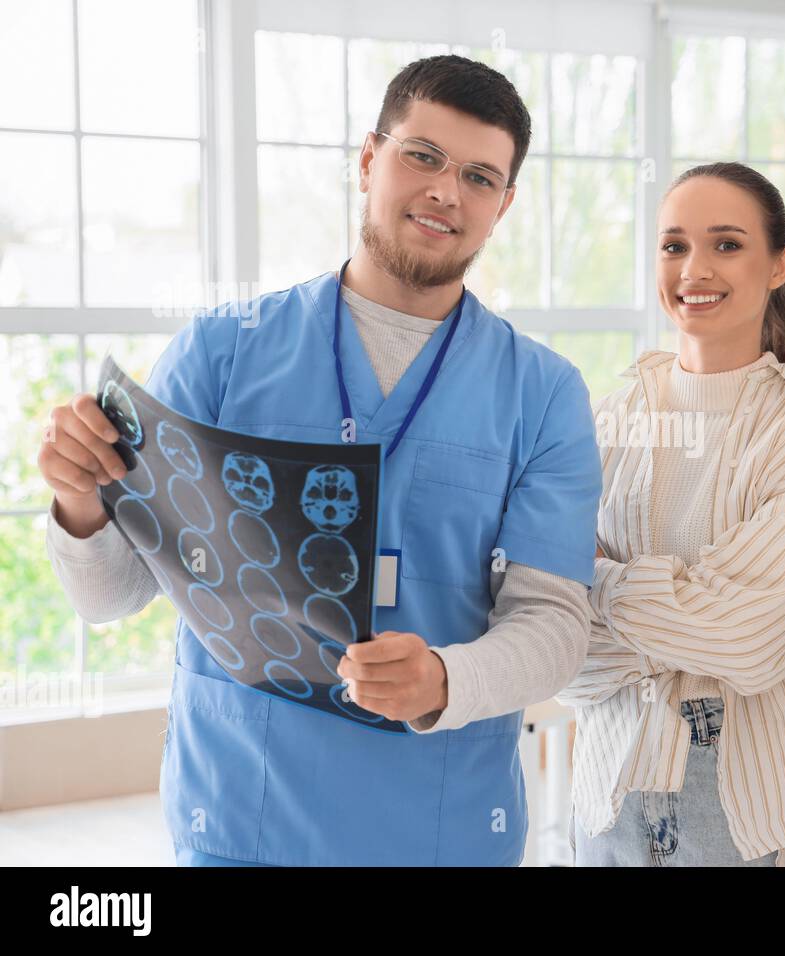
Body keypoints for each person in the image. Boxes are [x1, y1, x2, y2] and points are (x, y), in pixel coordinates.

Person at [38, 55, 602, 866]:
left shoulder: (543, 393)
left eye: (480, 177)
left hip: (439, 828)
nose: (447, 191)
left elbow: (554, 624)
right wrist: (81, 502)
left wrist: (446, 680)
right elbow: (113, 594)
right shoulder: (222, 352)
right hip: (240, 816)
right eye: (423, 156)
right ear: (368, 159)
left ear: (503, 205)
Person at [558, 163, 785, 866]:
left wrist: (601, 583)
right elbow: (554, 637)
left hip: (750, 812)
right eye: (674, 246)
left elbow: (751, 641)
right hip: (606, 800)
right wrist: (688, 612)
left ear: (778, 265)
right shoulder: (612, 419)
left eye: (726, 244)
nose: (695, 269)